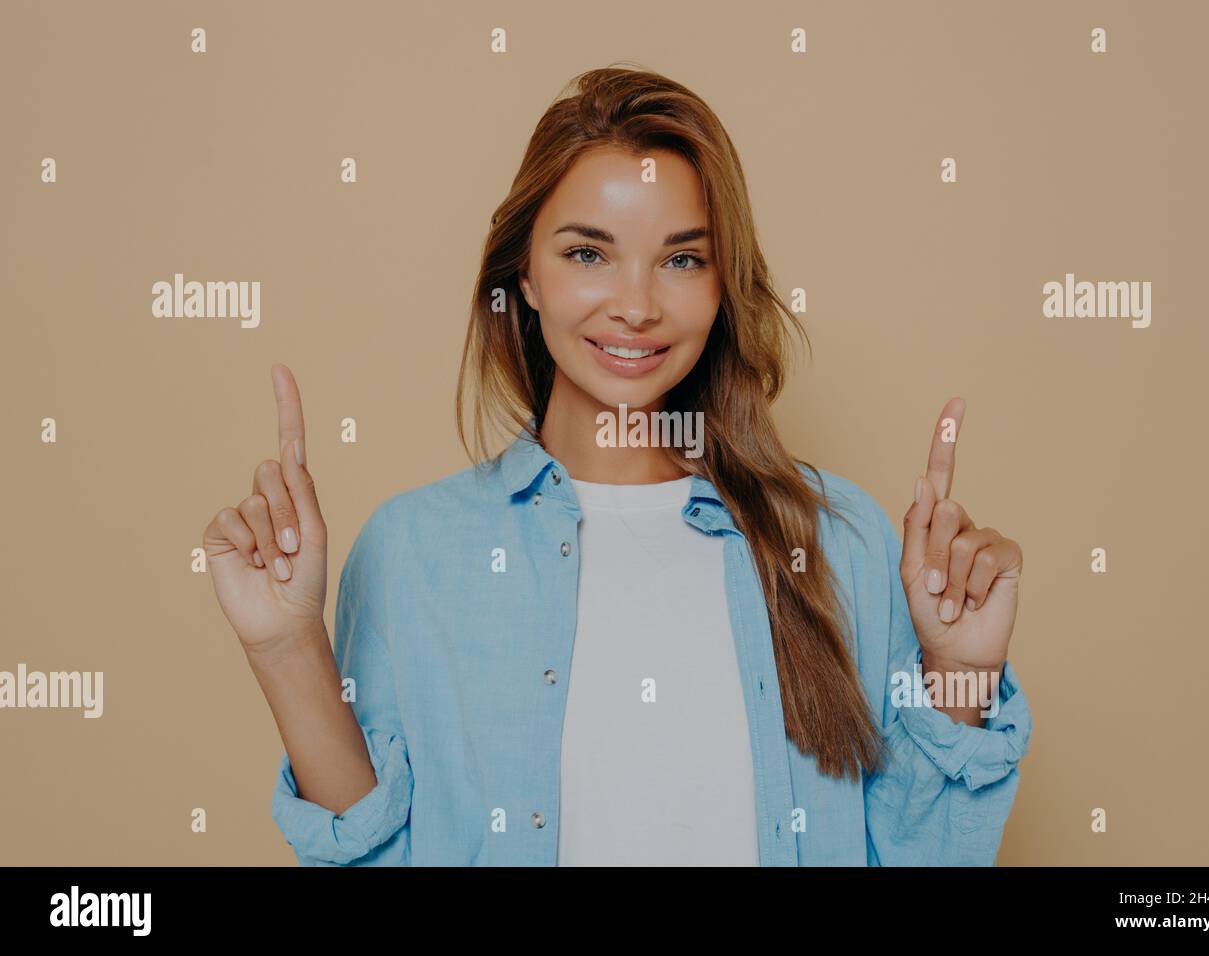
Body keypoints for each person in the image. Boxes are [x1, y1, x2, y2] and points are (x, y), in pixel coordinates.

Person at [202, 65, 1031, 866]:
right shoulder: (411, 552)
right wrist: (287, 650)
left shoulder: (837, 541)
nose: (636, 304)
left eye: (681, 259)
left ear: (721, 286)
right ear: (523, 274)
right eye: (588, 254)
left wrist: (960, 673)